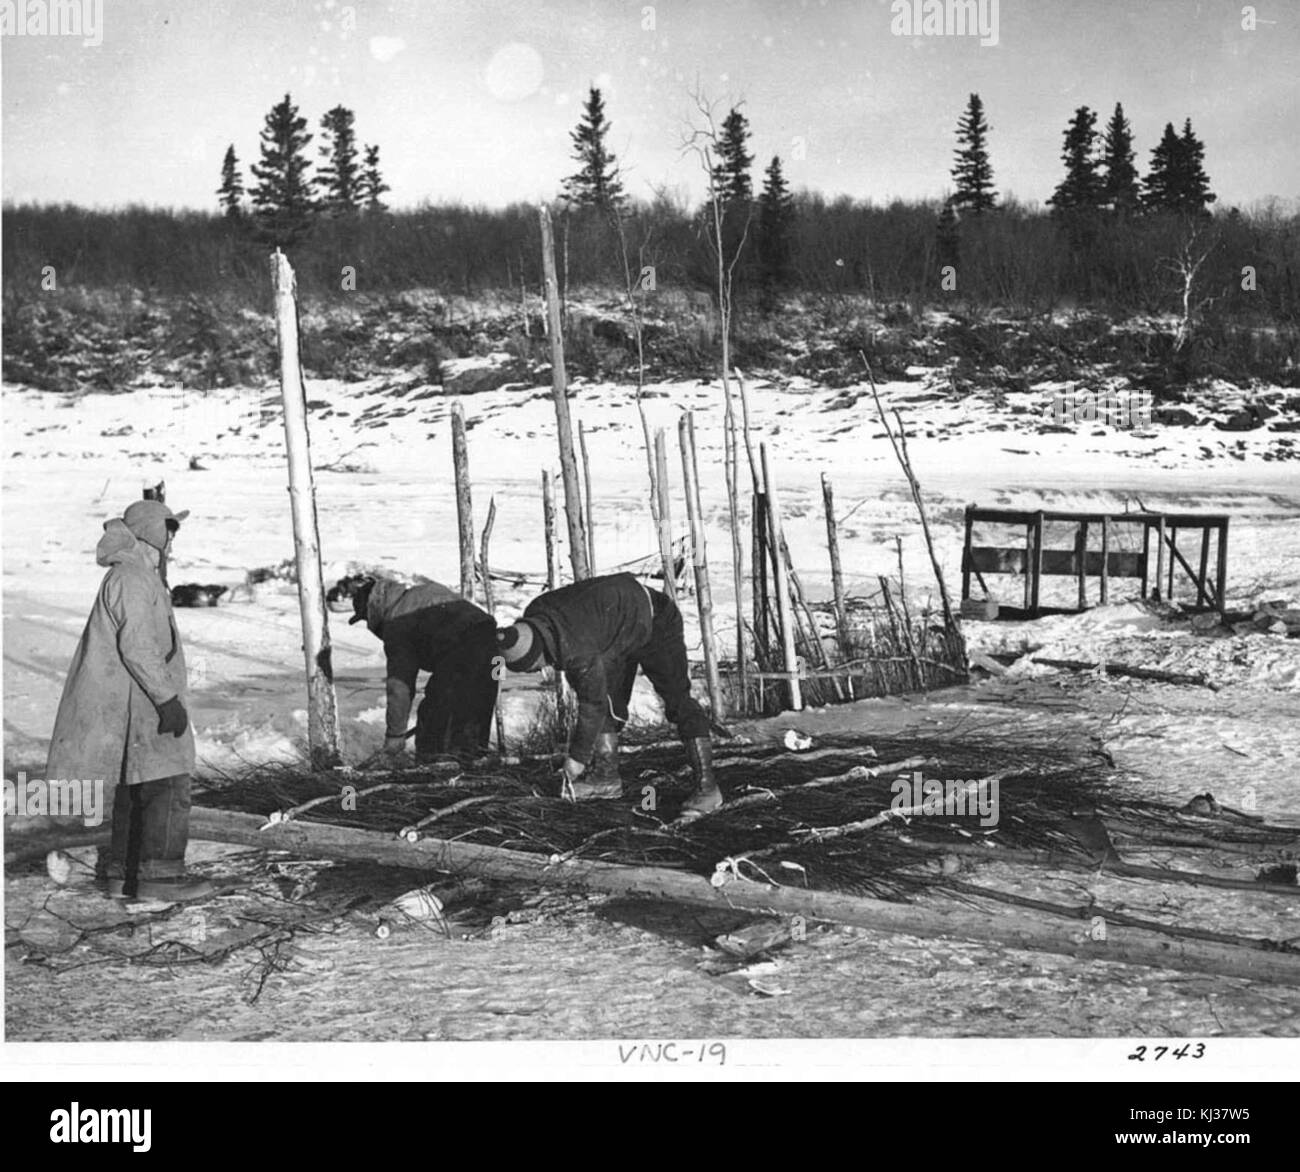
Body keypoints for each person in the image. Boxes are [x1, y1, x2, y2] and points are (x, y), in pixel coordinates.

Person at [46, 500, 213, 901]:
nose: (173, 540)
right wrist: (168, 699)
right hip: (143, 702)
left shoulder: (137, 576)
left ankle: (121, 872)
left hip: (136, 702)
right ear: (153, 533)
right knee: (169, 782)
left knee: (136, 785)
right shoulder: (134, 579)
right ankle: (160, 876)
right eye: (169, 531)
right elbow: (138, 647)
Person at [496, 572, 721, 817]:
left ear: (538, 653)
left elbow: (591, 702)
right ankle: (605, 778)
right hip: (617, 627)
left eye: (536, 666)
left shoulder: (576, 647)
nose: (541, 670)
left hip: (656, 619)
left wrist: (577, 760)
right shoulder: (539, 614)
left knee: (678, 700)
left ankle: (708, 788)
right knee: (607, 701)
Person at [337, 576, 499, 762]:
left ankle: (433, 772)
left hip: (461, 650)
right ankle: (473, 769)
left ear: (372, 608)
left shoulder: (397, 620)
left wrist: (395, 735)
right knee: (476, 712)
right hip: (491, 641)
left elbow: (400, 684)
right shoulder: (422, 592)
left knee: (433, 716)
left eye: (366, 618)